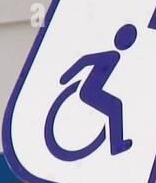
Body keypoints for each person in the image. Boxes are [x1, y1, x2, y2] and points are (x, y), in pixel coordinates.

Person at [58, 24, 137, 155]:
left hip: (92, 91)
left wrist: (66, 78)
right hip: (90, 92)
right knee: (115, 105)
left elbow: (85, 61)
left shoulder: (115, 56)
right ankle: (116, 145)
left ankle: (116, 144)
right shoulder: (112, 55)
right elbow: (85, 60)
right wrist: (65, 78)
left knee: (116, 104)